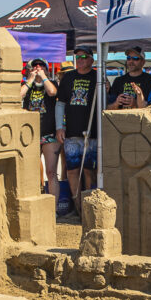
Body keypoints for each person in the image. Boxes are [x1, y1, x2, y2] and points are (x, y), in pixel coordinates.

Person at [56, 45, 99, 215]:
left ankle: (89, 208)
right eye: (77, 57)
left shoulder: (97, 76)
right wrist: (60, 126)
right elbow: (60, 103)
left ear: (91, 59)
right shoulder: (68, 77)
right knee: (72, 170)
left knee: (89, 170)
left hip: (92, 132)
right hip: (71, 132)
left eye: (83, 57)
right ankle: (78, 207)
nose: (80, 60)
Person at [19, 58, 60, 192]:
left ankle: (53, 210)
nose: (38, 68)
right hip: (30, 135)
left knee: (51, 172)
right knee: (31, 172)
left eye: (42, 66)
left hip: (49, 133)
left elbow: (52, 92)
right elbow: (17, 96)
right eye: (35, 66)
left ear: (47, 70)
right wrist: (30, 81)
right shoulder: (26, 86)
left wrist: (43, 77)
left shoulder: (52, 83)